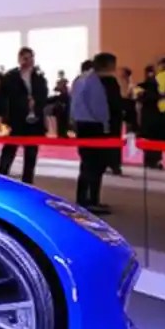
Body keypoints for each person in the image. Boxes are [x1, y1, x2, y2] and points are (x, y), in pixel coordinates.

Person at [70, 53, 116, 214]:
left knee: (86, 163)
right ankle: (91, 200)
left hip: (82, 125)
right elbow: (99, 106)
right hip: (94, 126)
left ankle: (83, 198)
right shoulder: (95, 82)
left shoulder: (80, 79)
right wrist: (106, 125)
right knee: (96, 165)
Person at [0, 47, 48, 184]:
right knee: (9, 150)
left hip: (34, 121)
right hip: (16, 119)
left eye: (30, 58)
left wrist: (36, 104)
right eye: (24, 58)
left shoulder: (39, 78)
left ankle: (27, 182)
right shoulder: (10, 77)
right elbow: (3, 97)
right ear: (19, 59)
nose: (27, 61)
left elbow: (43, 97)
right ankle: (1, 178)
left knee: (31, 154)